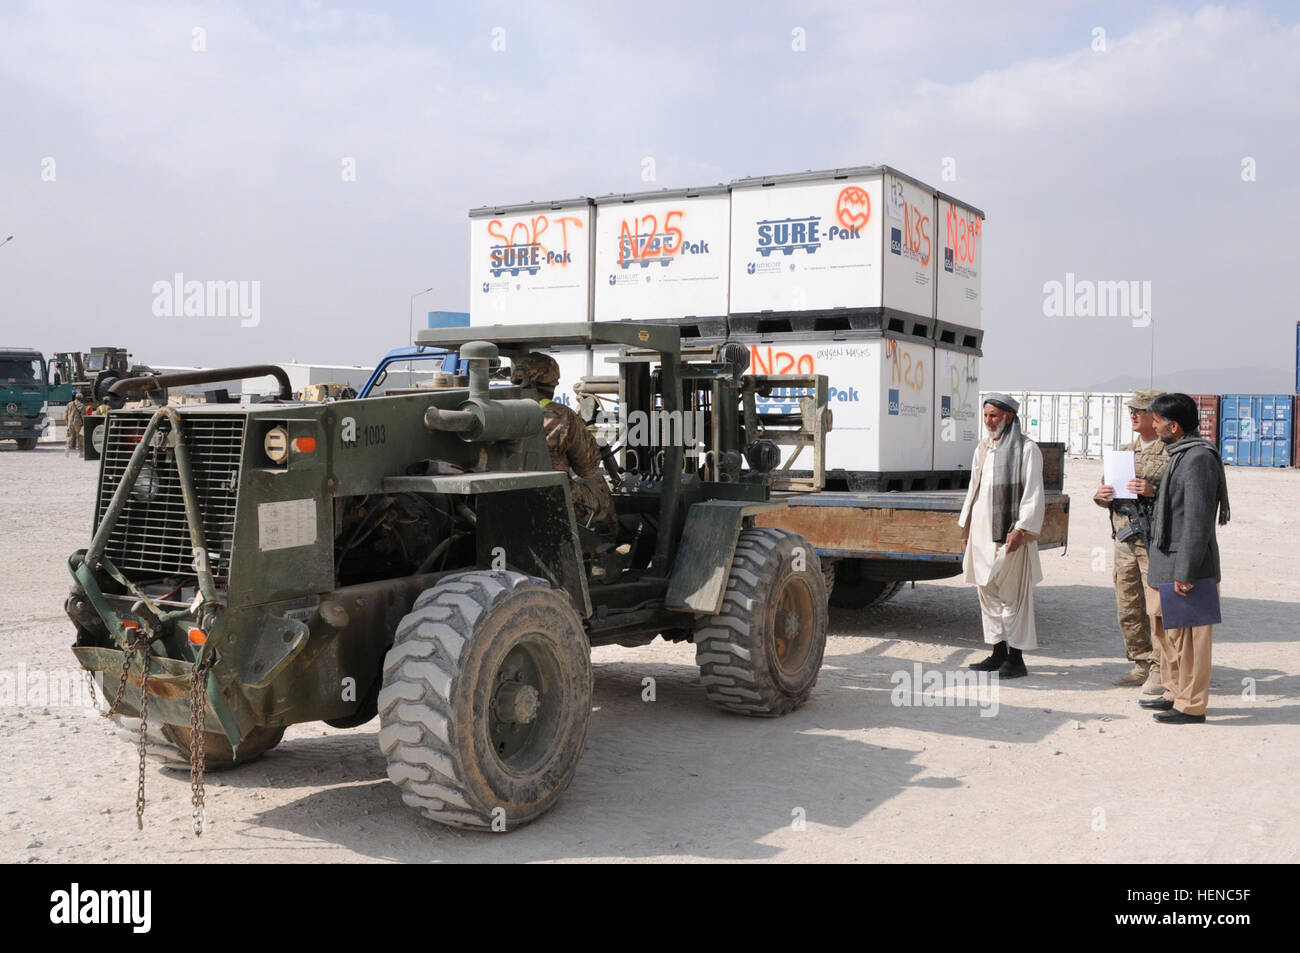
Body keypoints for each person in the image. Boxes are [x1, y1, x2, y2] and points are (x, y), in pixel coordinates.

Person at [1139, 393, 1230, 724]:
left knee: (1191, 640)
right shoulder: (1179, 454)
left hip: (1187, 567)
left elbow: (1197, 520)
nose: (1155, 425)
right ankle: (1174, 692)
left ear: (1173, 426)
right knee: (1168, 635)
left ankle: (1191, 705)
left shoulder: (1197, 460)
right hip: (1166, 562)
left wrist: (1186, 571)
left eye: (1159, 421)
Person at [958, 393, 1045, 678]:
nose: (988, 421)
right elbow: (974, 490)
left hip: (1010, 534)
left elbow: (1032, 493)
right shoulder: (983, 448)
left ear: (1008, 416)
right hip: (981, 534)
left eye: (994, 416)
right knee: (987, 591)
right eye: (985, 416)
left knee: (1013, 597)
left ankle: (1016, 658)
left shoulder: (1026, 448)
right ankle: (997, 652)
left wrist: (1021, 528)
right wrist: (966, 528)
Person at [1093, 390, 1169, 693]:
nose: (1133, 415)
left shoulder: (1171, 452)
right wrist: (1101, 496)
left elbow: (1182, 496)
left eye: (1140, 410)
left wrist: (1153, 491)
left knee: (1158, 607)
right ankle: (1141, 662)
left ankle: (1161, 668)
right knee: (1129, 604)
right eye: (1131, 411)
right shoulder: (1124, 453)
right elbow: (1103, 491)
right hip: (1124, 539)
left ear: (1156, 416)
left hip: (1153, 542)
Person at [511, 352, 617, 540]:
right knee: (599, 483)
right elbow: (587, 468)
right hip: (554, 502)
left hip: (508, 499)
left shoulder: (499, 412)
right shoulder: (564, 417)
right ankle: (606, 558)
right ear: (552, 383)